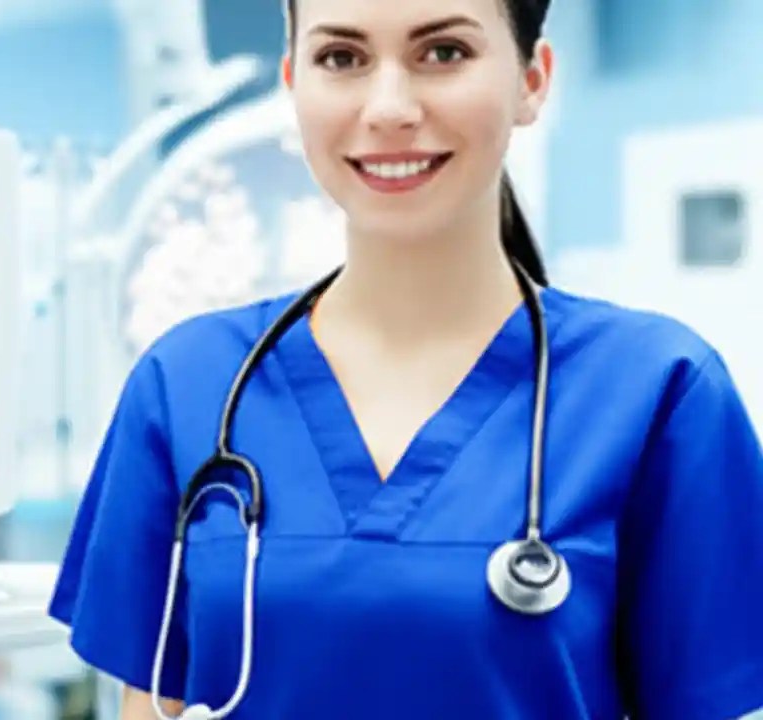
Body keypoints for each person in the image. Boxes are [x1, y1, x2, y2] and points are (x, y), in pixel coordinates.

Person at [47, 0, 763, 718]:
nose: (388, 107)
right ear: (294, 84)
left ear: (532, 80)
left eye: (444, 52)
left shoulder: (658, 393)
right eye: (342, 59)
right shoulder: (188, 385)